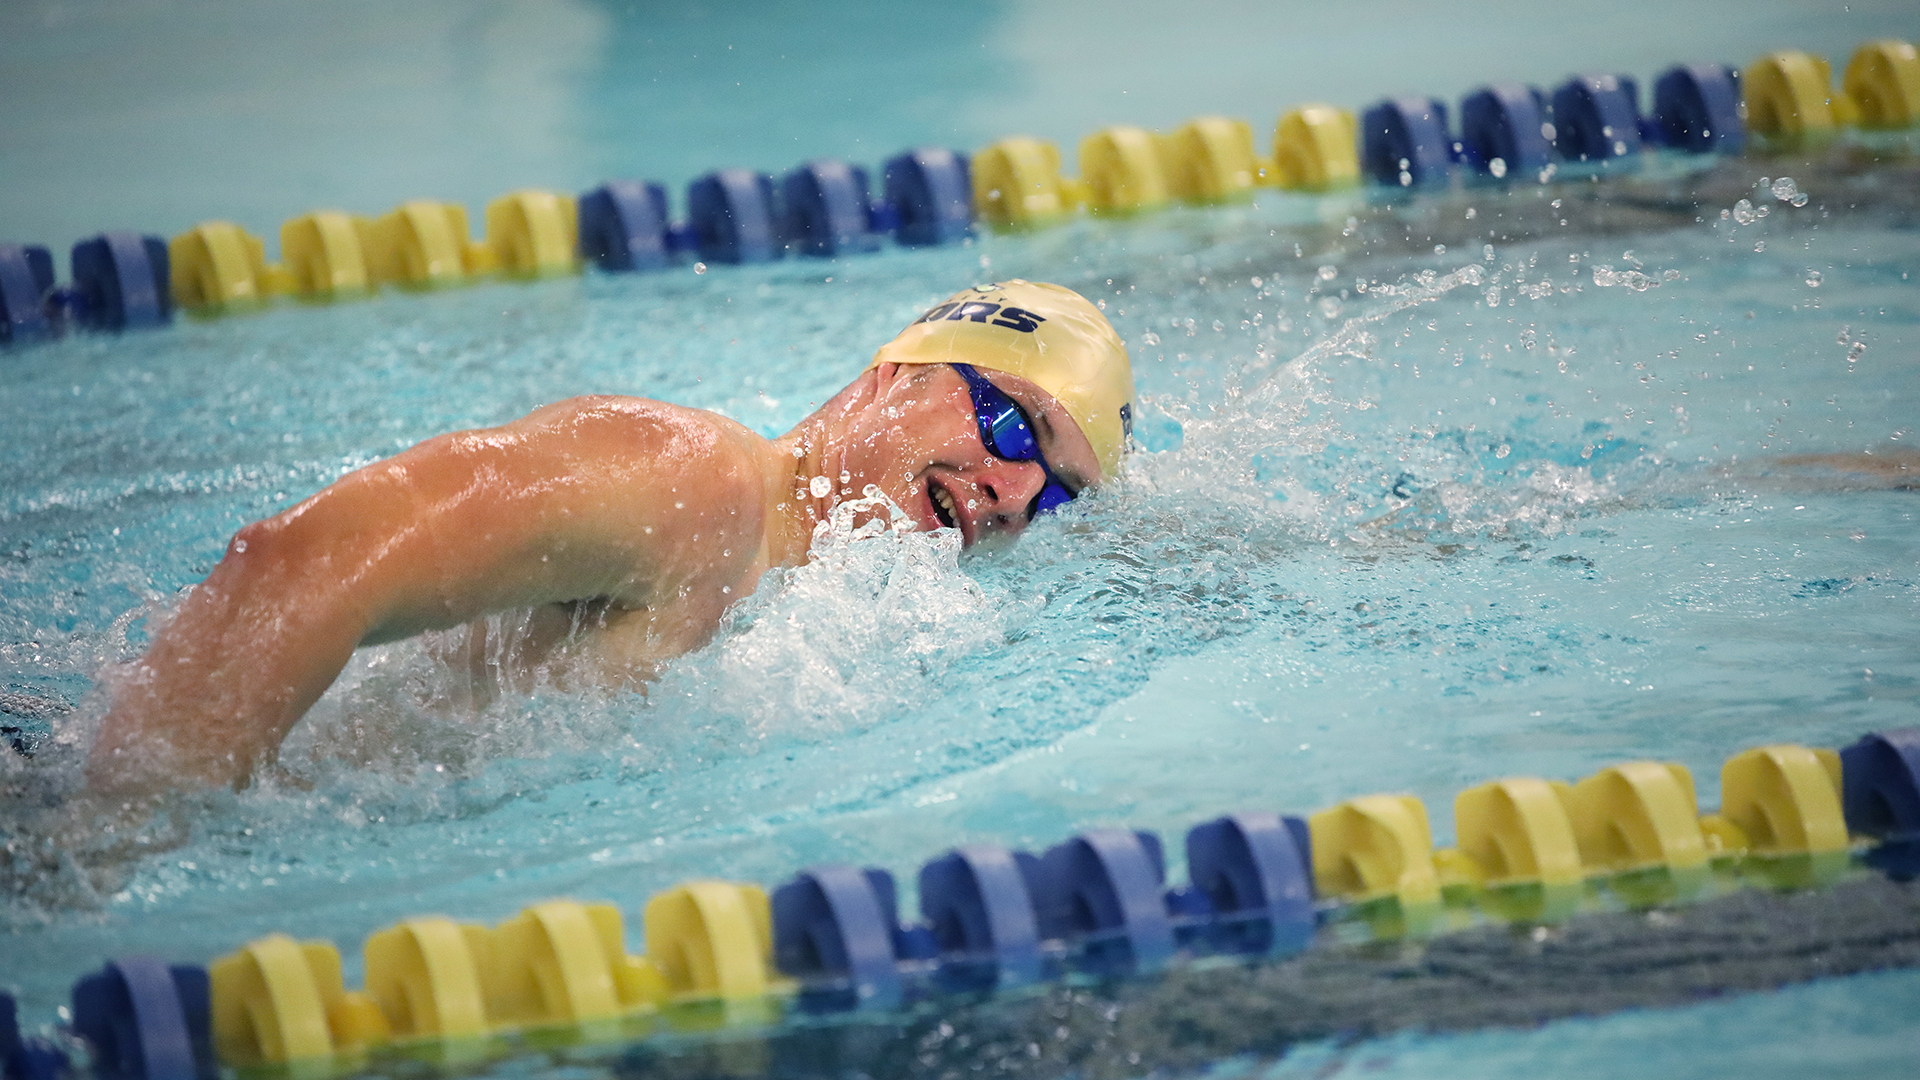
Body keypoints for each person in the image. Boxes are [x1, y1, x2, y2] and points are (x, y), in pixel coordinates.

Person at [84, 280, 1135, 794]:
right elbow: (295, 563)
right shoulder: (696, 486)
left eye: (1055, 492)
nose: (1010, 491)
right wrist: (123, 826)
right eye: (1010, 424)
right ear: (894, 374)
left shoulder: (806, 603)